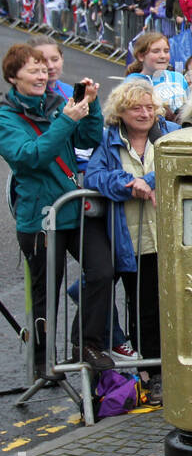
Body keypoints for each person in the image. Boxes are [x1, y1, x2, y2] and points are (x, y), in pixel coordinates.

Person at [0, 45, 113, 371]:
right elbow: (30, 157)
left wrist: (90, 106)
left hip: (72, 210)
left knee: (103, 272)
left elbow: (88, 139)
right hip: (39, 218)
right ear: (13, 77)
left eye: (43, 69)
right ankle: (42, 364)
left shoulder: (54, 105)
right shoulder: (6, 116)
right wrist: (66, 119)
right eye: (33, 70)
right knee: (45, 293)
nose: (42, 75)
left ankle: (86, 343)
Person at [84, 79, 178, 397]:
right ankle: (152, 373)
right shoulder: (108, 138)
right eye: (136, 108)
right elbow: (94, 176)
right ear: (120, 111)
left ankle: (179, 368)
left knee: (176, 305)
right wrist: (128, 183)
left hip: (172, 235)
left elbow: (182, 165)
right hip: (134, 238)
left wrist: (148, 179)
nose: (145, 113)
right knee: (144, 309)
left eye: (149, 107)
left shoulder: (170, 132)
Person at [125, 32, 187, 119]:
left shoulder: (178, 77)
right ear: (141, 56)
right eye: (156, 51)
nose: (163, 56)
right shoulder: (133, 82)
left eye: (166, 51)